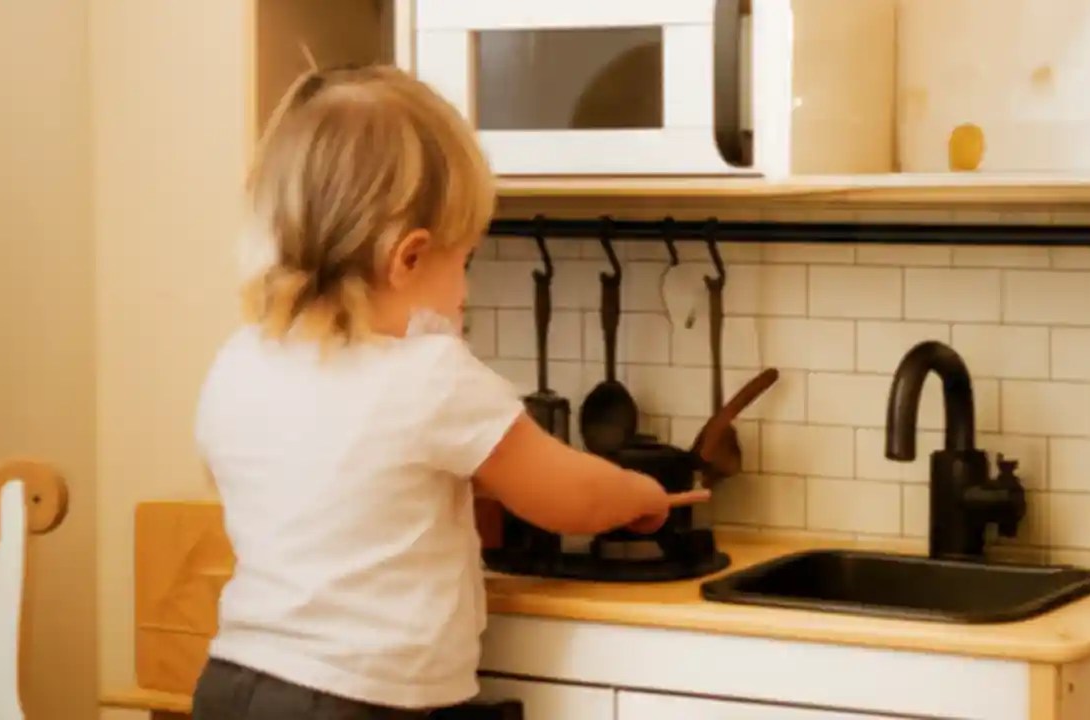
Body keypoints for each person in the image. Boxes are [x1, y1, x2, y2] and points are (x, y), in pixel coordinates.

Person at [189, 63, 708, 719]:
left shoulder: (241, 359)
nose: (465, 292)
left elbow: (330, 477)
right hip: (362, 704)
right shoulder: (431, 375)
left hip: (234, 684)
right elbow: (567, 496)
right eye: (463, 263)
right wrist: (638, 492)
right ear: (407, 258)